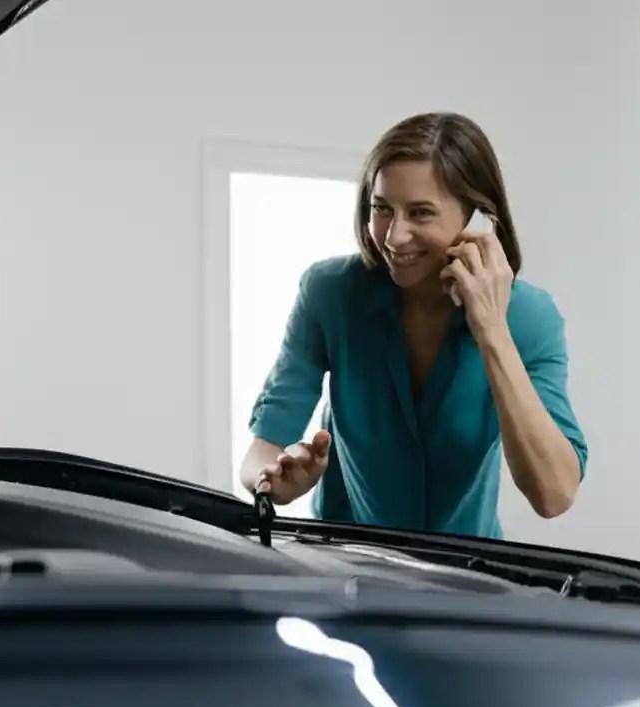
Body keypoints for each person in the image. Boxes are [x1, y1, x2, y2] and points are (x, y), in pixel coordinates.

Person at [238, 112, 588, 539]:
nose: (393, 237)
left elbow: (553, 495)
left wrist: (492, 330)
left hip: (464, 576)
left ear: (478, 221)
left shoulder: (530, 318)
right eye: (382, 209)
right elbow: (262, 451)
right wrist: (273, 483)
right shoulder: (330, 294)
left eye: (420, 213)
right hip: (346, 566)